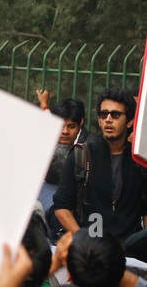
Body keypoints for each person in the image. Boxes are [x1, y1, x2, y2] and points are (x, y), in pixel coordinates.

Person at [52, 88, 146, 258]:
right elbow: (61, 206)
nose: (108, 120)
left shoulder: (139, 160)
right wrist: (82, 239)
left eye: (115, 115)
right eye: (104, 114)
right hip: (92, 252)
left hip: (133, 254)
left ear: (130, 121)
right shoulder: (82, 154)